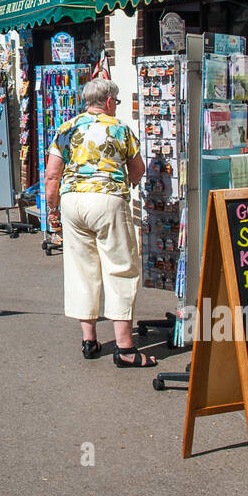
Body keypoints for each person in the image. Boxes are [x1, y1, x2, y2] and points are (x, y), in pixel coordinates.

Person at [43, 77, 154, 367]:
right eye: (115, 102)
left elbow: (52, 175)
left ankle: (89, 340)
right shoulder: (119, 128)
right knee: (120, 268)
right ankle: (125, 348)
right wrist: (126, 184)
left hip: (72, 201)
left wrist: (53, 208)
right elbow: (137, 168)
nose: (115, 106)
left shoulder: (66, 128)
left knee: (82, 269)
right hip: (107, 199)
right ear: (108, 102)